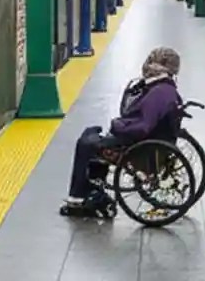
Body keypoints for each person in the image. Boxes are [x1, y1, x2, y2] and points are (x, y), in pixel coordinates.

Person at [60, 47, 183, 216]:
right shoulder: (165, 89)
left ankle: (79, 197)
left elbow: (143, 127)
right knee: (91, 134)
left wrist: (117, 125)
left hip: (139, 148)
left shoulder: (159, 93)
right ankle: (91, 190)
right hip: (147, 143)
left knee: (86, 143)